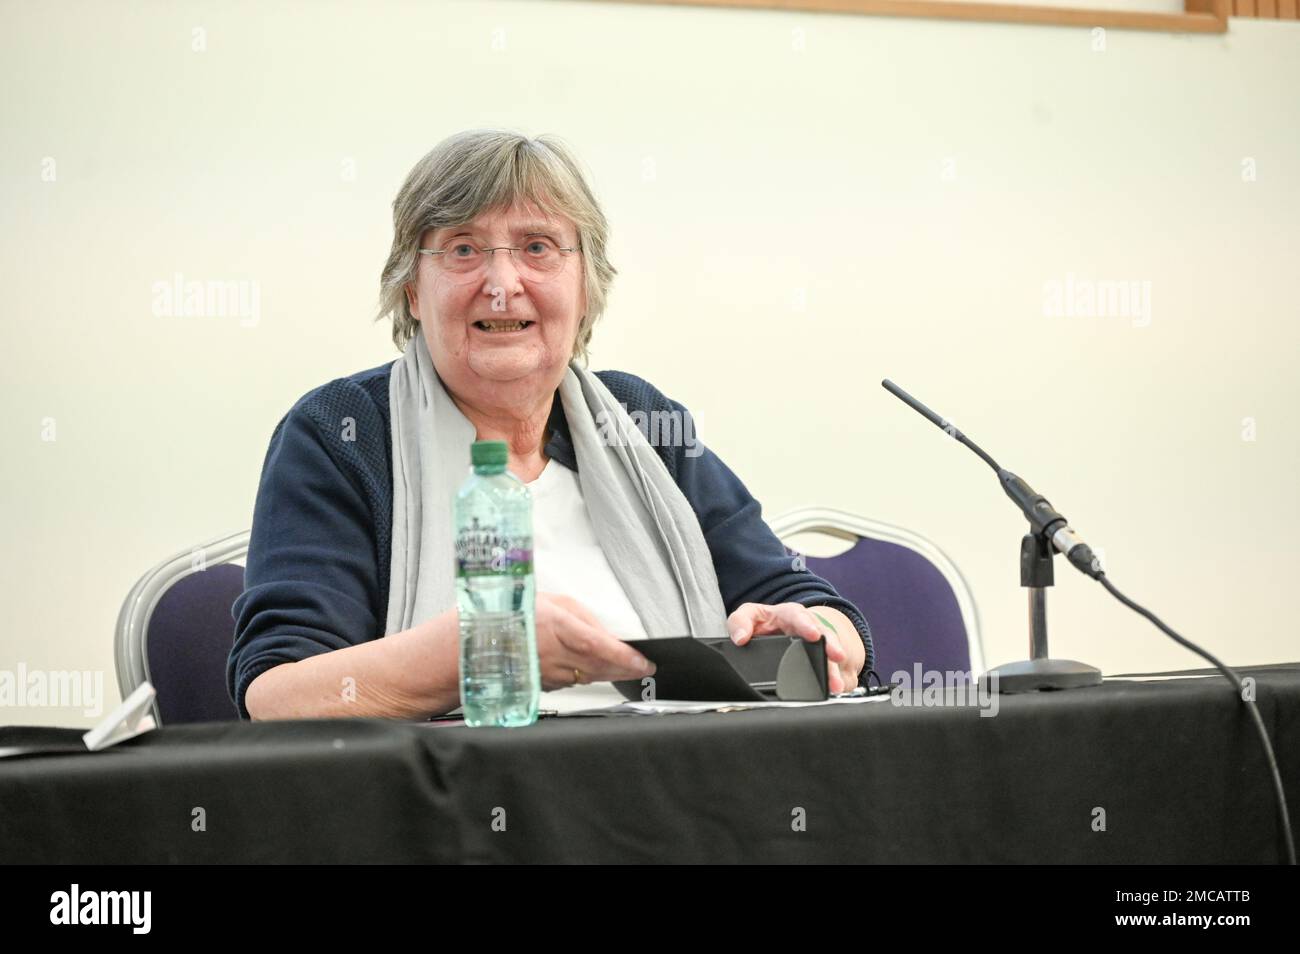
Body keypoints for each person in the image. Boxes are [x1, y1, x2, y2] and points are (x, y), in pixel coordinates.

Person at [227, 128, 873, 721]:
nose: (503, 283)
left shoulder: (642, 424)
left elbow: (809, 605)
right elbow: (279, 695)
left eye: (537, 247)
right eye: (463, 248)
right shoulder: (340, 435)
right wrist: (485, 651)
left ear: (586, 286)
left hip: (680, 797)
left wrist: (820, 639)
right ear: (413, 291)